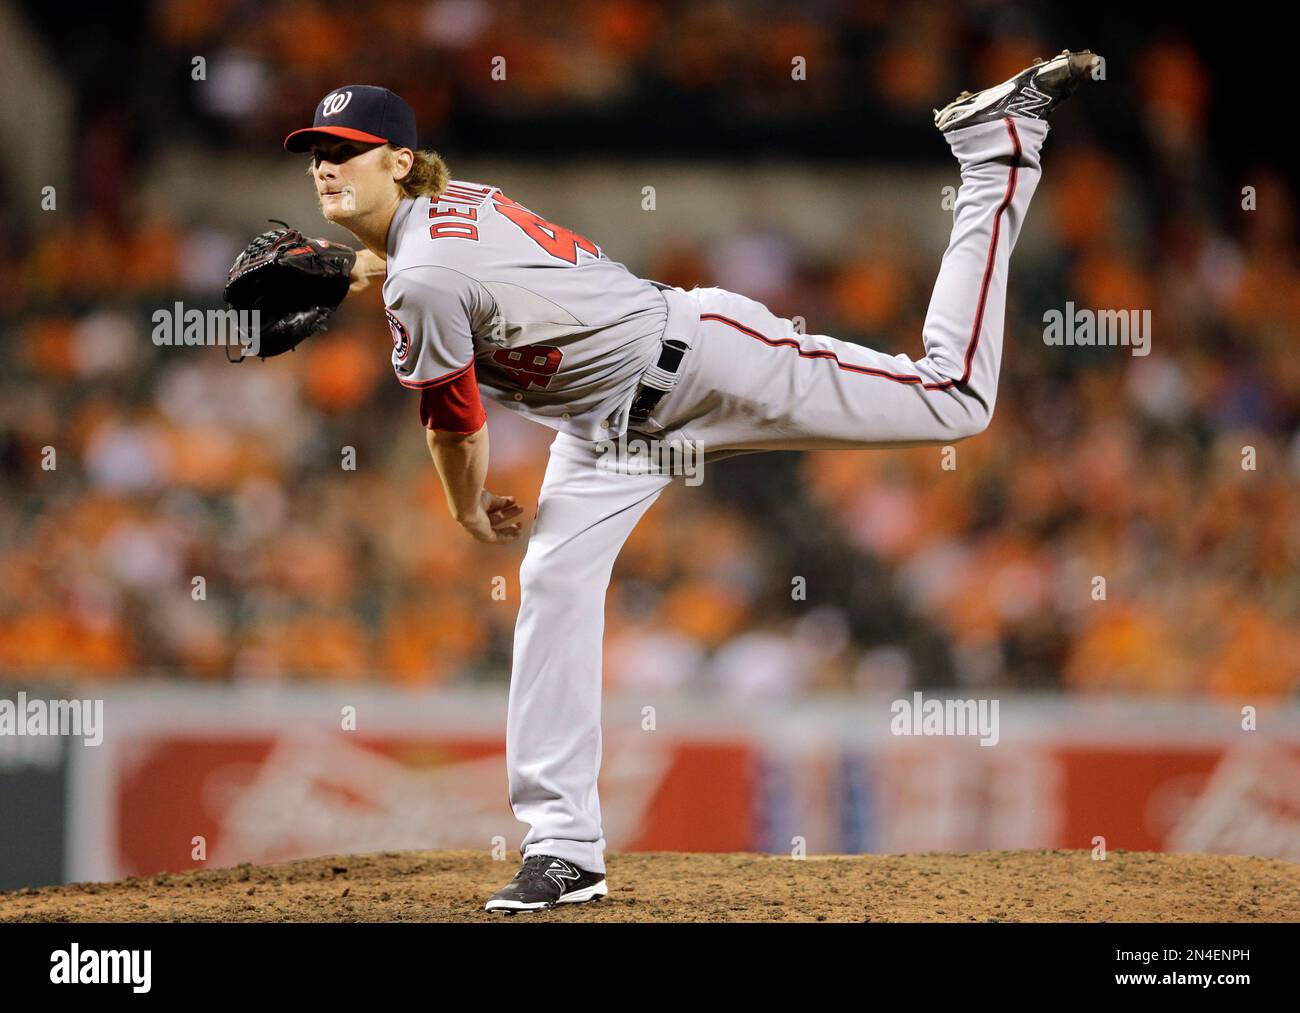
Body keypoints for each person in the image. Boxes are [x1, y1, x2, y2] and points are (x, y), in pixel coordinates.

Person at [280, 50, 1100, 913]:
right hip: (610, 432)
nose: (325, 165)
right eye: (315, 151)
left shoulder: (421, 275)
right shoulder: (442, 212)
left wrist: (470, 509)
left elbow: (452, 424)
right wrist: (347, 270)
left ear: (399, 162)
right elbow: (427, 270)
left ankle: (995, 150)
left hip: (708, 366)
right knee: (555, 585)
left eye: (349, 148)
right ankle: (564, 847)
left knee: (955, 400)